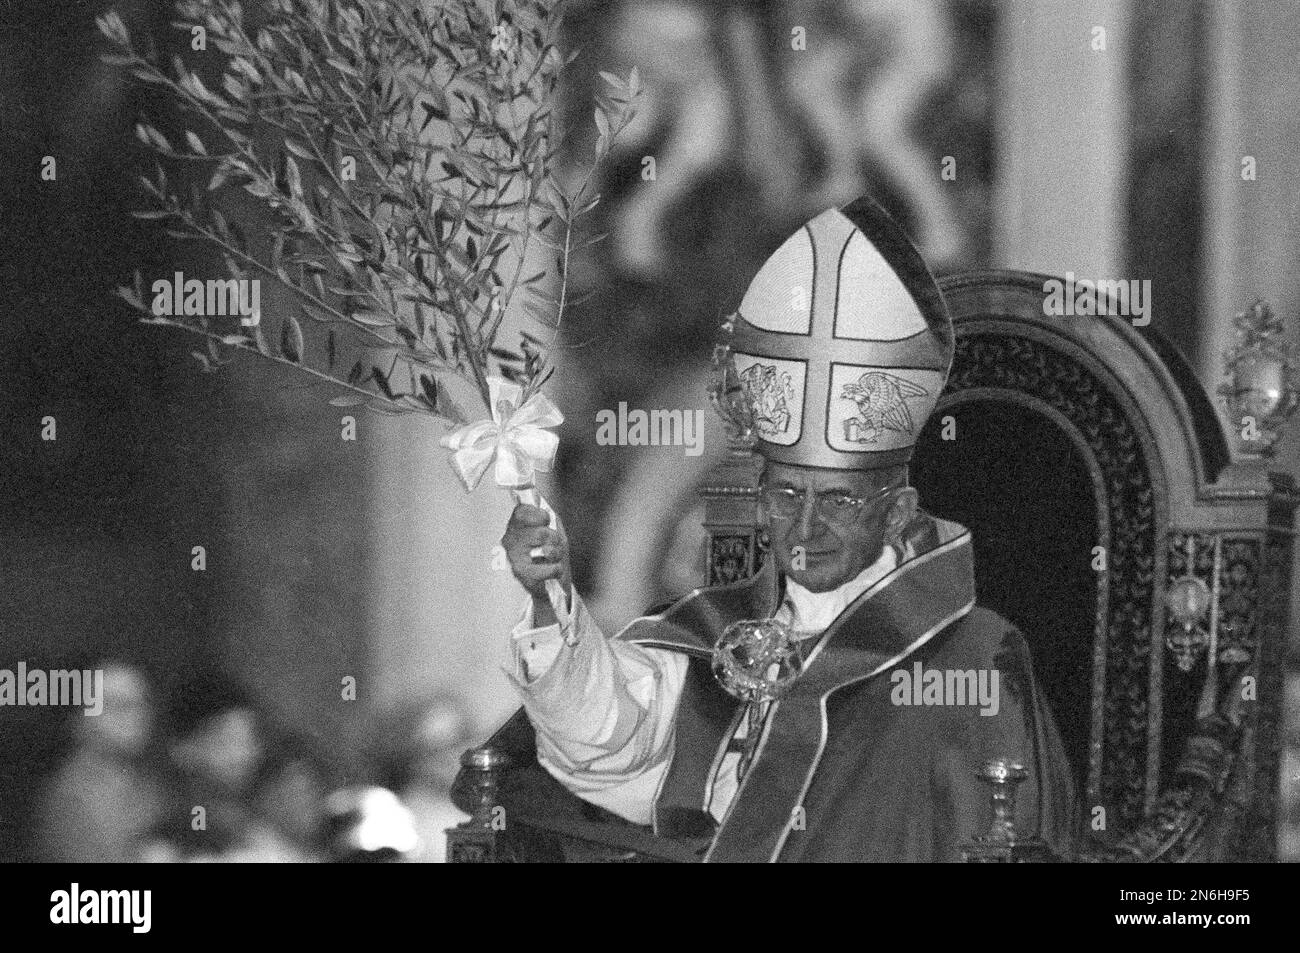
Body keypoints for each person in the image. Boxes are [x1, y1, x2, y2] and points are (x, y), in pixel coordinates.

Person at [491, 195, 1078, 862]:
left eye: (838, 502)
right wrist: (550, 593)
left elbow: (1009, 843)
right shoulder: (721, 634)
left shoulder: (972, 658)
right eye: (788, 494)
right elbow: (608, 745)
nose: (804, 528)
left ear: (897, 509)